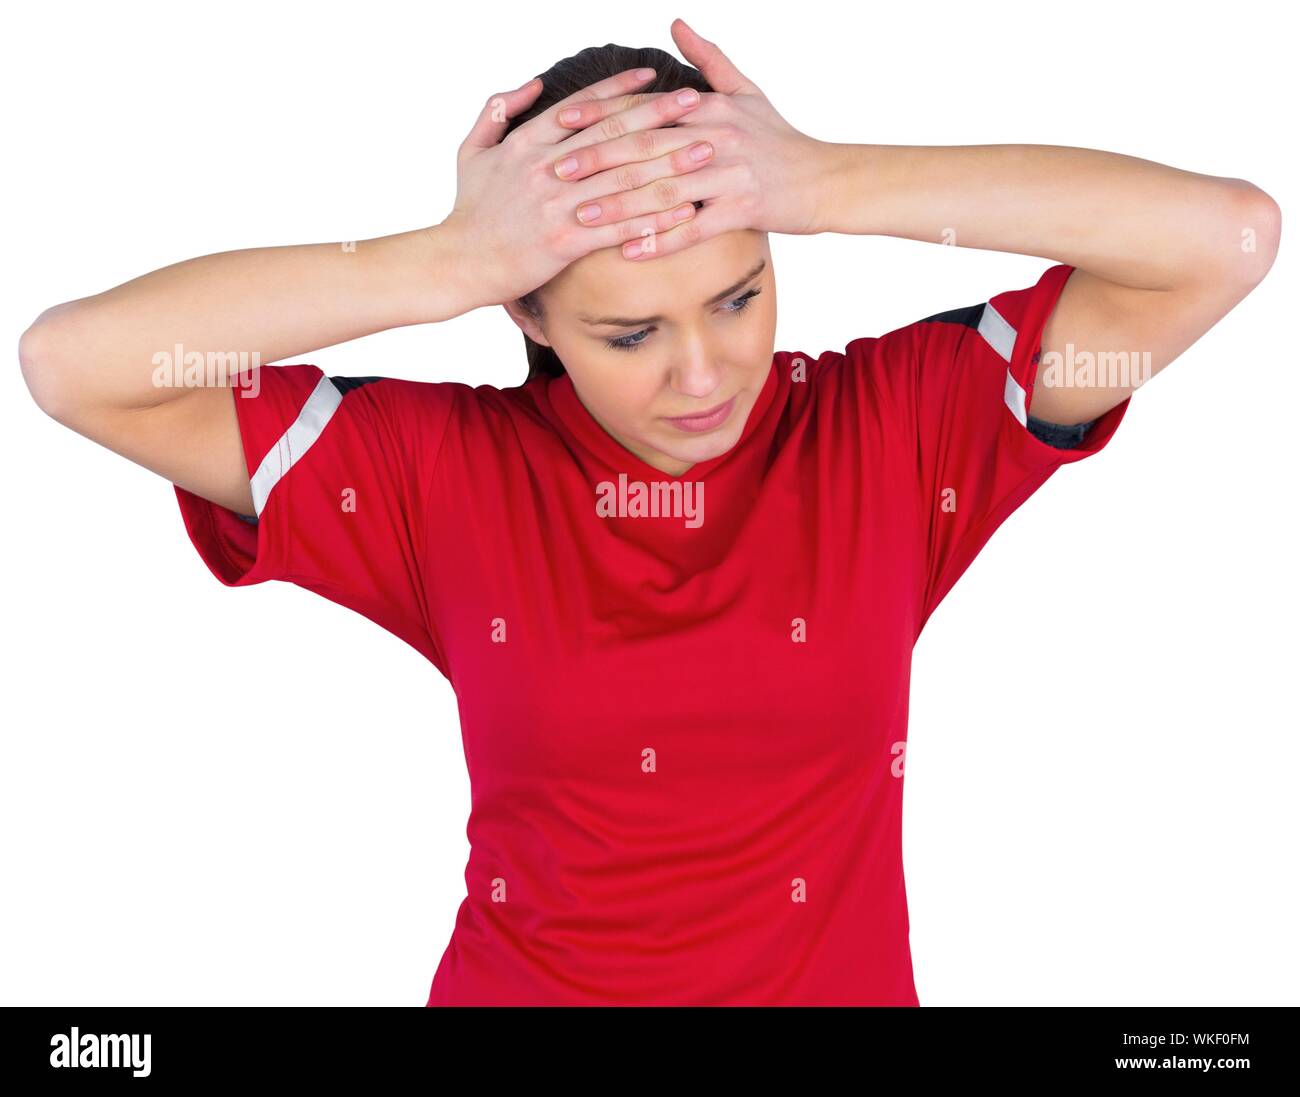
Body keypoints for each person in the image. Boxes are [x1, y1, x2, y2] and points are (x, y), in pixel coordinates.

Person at [17, 20, 1280, 1006]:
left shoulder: (899, 433)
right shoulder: (433, 473)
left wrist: (829, 178)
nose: (702, 374)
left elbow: (1223, 238)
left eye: (737, 297)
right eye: (628, 332)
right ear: (529, 314)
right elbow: (76, 363)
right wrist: (446, 259)